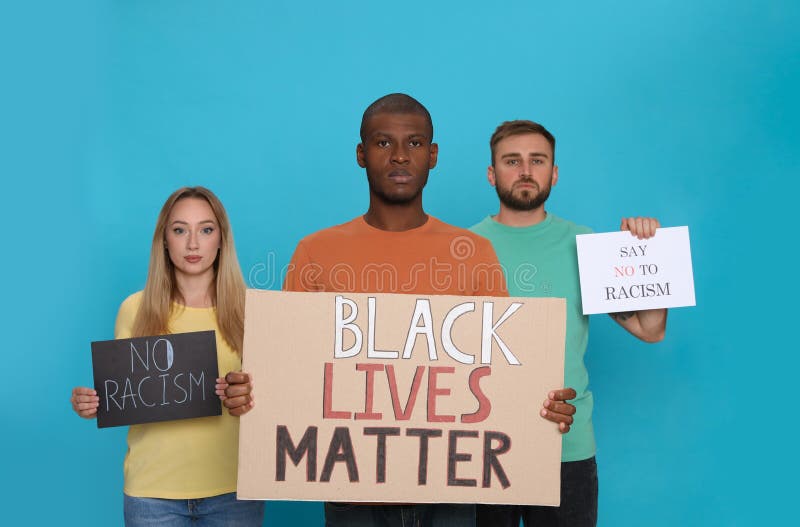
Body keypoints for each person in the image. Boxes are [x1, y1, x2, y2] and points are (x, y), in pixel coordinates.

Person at [225, 94, 578, 527]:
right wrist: (252, 392)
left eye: (413, 144)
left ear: (432, 156)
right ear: (361, 154)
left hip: (451, 491)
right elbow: (290, 375)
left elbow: (502, 373)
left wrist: (540, 406)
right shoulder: (316, 253)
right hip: (349, 489)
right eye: (381, 143)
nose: (398, 156)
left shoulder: (474, 254)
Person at [470, 120, 668, 527]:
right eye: (512, 161)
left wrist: (648, 253)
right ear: (492, 174)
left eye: (537, 161)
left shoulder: (587, 247)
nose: (525, 170)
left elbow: (651, 329)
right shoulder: (461, 249)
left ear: (553, 173)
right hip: (480, 449)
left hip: (566, 449)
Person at [70, 186, 263, 527]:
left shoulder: (253, 312)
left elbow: (277, 405)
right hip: (152, 494)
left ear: (221, 240)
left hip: (234, 491)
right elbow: (125, 394)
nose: (192, 243)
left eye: (205, 229)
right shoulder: (134, 309)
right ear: (164, 240)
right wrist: (94, 402)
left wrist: (248, 396)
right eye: (180, 230)